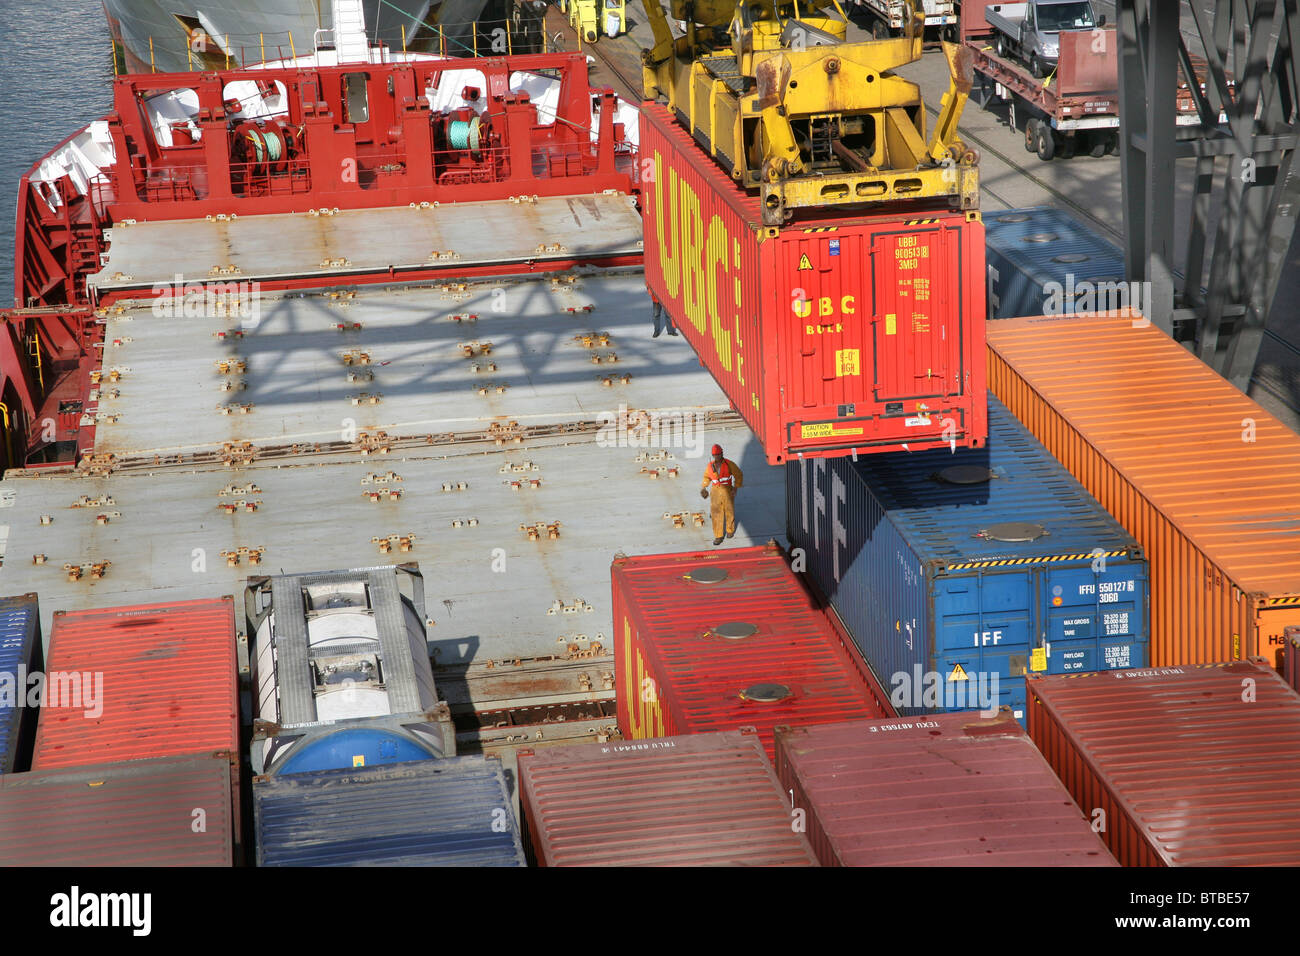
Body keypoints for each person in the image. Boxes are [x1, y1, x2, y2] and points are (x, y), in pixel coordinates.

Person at [700, 444, 743, 545]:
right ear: (713, 455)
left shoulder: (729, 464)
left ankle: (730, 530)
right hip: (715, 491)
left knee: (729, 510)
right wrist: (704, 487)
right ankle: (718, 536)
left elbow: (738, 474)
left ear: (722, 453)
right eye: (715, 455)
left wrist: (735, 489)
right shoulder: (710, 466)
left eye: (719, 454)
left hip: (727, 489)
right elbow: (706, 477)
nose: (717, 456)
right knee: (716, 513)